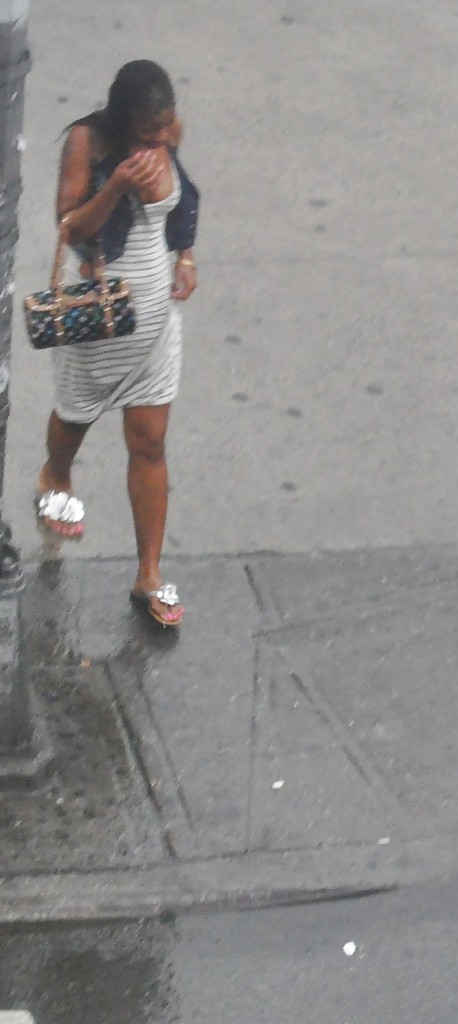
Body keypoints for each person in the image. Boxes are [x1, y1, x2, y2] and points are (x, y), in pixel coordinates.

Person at [33, 59, 199, 627]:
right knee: (76, 415)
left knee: (149, 442)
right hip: (103, 314)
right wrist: (121, 184)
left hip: (156, 321)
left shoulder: (168, 131)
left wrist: (187, 254)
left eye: (164, 133)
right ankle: (55, 476)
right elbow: (70, 229)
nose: (159, 143)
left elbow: (185, 199)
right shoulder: (87, 141)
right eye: (148, 136)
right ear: (123, 121)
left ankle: (148, 573)